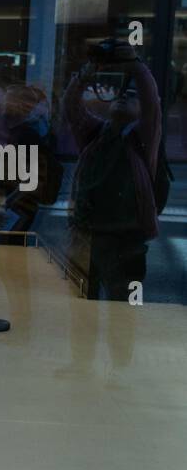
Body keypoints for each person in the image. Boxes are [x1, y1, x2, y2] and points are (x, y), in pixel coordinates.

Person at [63, 45, 164, 300]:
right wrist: (87, 73)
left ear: (141, 110)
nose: (122, 97)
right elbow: (71, 105)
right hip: (87, 237)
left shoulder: (142, 139)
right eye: (119, 93)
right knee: (80, 310)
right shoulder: (95, 133)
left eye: (131, 96)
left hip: (125, 240)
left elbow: (152, 101)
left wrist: (134, 66)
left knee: (123, 314)